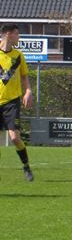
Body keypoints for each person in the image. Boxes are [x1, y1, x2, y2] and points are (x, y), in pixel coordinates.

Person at [0, 24, 34, 182]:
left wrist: (28, 91)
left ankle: (26, 165)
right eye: (17, 35)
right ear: (7, 34)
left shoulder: (19, 56)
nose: (19, 38)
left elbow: (24, 77)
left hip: (11, 102)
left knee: (14, 138)